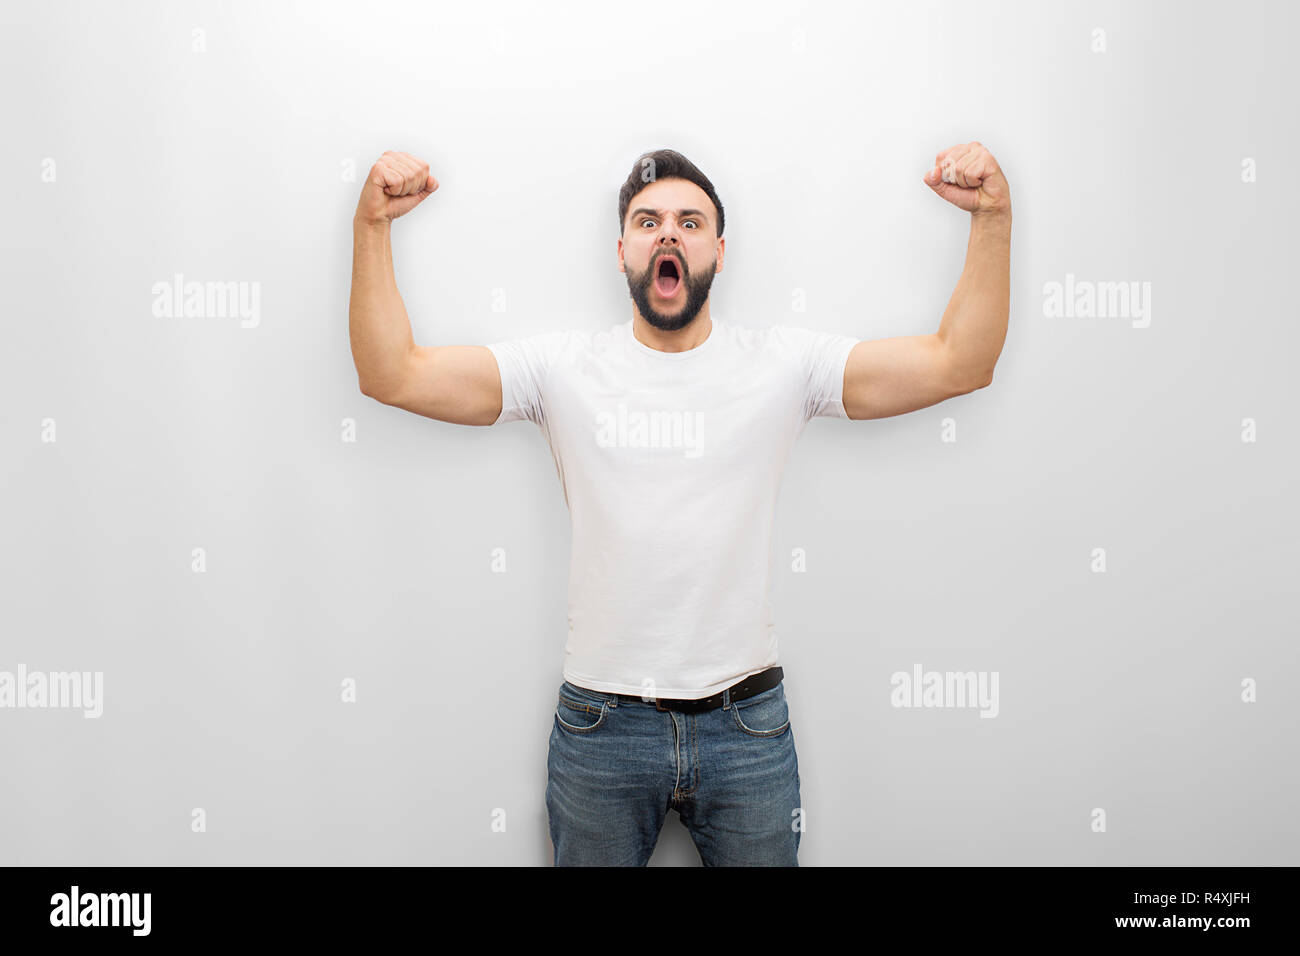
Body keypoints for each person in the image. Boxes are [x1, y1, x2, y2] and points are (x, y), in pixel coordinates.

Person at [348, 145, 1011, 866]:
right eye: (648, 220)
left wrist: (995, 218)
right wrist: (373, 226)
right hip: (601, 728)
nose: (669, 233)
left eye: (690, 222)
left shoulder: (785, 366)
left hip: (747, 727)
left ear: (719, 252)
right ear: (623, 250)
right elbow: (393, 373)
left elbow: (960, 361)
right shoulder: (560, 370)